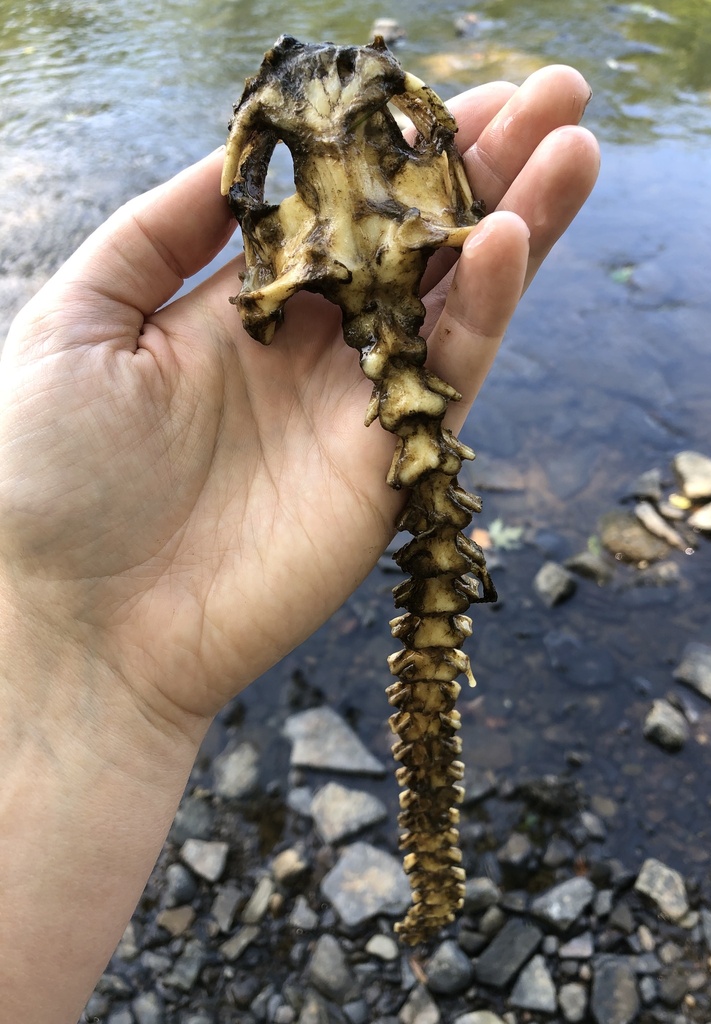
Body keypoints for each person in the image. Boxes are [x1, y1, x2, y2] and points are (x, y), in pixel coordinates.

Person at [0, 68, 599, 1022]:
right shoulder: (358, 97)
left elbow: (253, 191)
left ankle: (437, 880)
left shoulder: (290, 109)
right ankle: (434, 880)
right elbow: (299, 175)